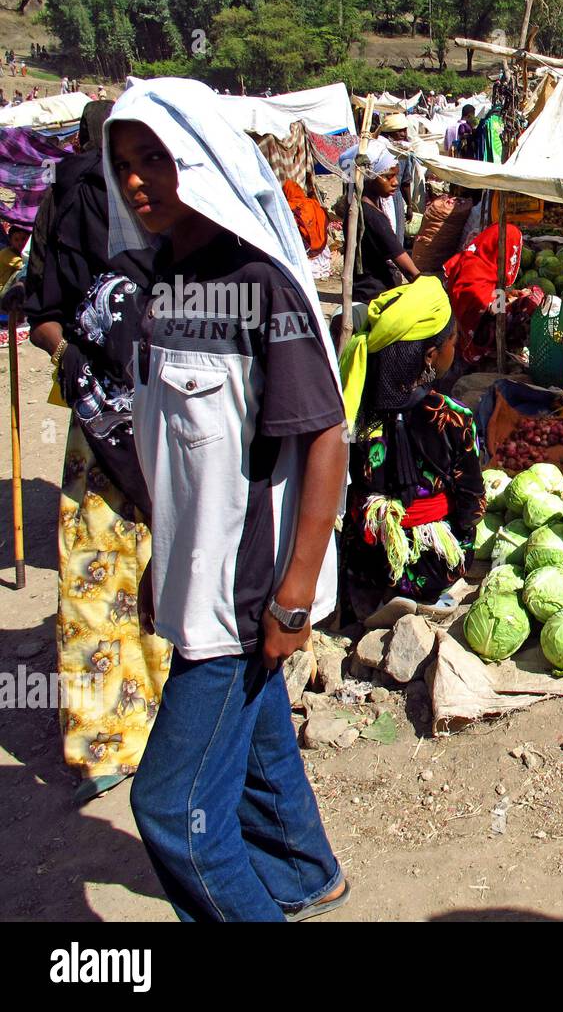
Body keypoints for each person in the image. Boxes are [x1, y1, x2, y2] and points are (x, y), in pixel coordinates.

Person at [103, 77, 349, 921]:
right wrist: (163, 562)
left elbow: (324, 438)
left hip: (242, 597)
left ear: (198, 161)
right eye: (125, 164)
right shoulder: (161, 279)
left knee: (174, 812)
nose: (139, 182)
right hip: (197, 576)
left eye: (156, 161)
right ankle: (303, 872)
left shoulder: (260, 285)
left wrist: (292, 594)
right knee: (256, 740)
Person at [22, 100, 170, 804]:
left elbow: (38, 312)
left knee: (100, 584)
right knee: (147, 570)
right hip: (135, 418)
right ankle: (155, 727)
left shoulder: (65, 194)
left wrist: (76, 361)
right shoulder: (107, 198)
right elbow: (51, 315)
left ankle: (111, 738)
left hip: (106, 422)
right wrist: (95, 361)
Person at [338, 279, 485, 614]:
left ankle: (374, 594)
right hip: (430, 565)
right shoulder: (453, 417)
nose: (456, 347)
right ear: (432, 355)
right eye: (453, 340)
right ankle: (422, 594)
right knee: (458, 531)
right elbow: (471, 506)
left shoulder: (354, 407)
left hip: (367, 559)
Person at [341, 136, 420, 307]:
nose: (395, 182)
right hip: (375, 296)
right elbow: (407, 268)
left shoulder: (357, 208)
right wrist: (426, 287)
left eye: (395, 176)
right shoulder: (372, 216)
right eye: (388, 176)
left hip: (365, 292)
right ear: (368, 177)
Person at [442, 222, 523, 367]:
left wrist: (509, 294)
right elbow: (488, 306)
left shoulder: (478, 259)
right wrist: (512, 302)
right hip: (465, 335)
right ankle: (477, 357)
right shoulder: (475, 272)